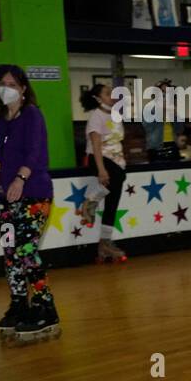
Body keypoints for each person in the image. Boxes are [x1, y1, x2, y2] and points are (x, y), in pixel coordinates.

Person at [0, 65, 60, 344]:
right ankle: (20, 302)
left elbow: (35, 151)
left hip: (33, 195)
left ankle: (45, 307)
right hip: (6, 198)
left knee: (26, 249)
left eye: (11, 83)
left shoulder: (32, 115)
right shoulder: (2, 119)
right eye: (1, 83)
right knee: (10, 250)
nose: (5, 88)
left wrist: (20, 177)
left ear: (23, 88)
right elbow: (4, 153)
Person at [79, 84, 128, 263]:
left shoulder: (116, 115)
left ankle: (105, 243)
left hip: (116, 161)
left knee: (113, 201)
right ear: (98, 98)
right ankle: (91, 200)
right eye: (108, 93)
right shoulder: (96, 116)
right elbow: (96, 144)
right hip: (98, 158)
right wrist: (101, 170)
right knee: (119, 178)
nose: (112, 96)